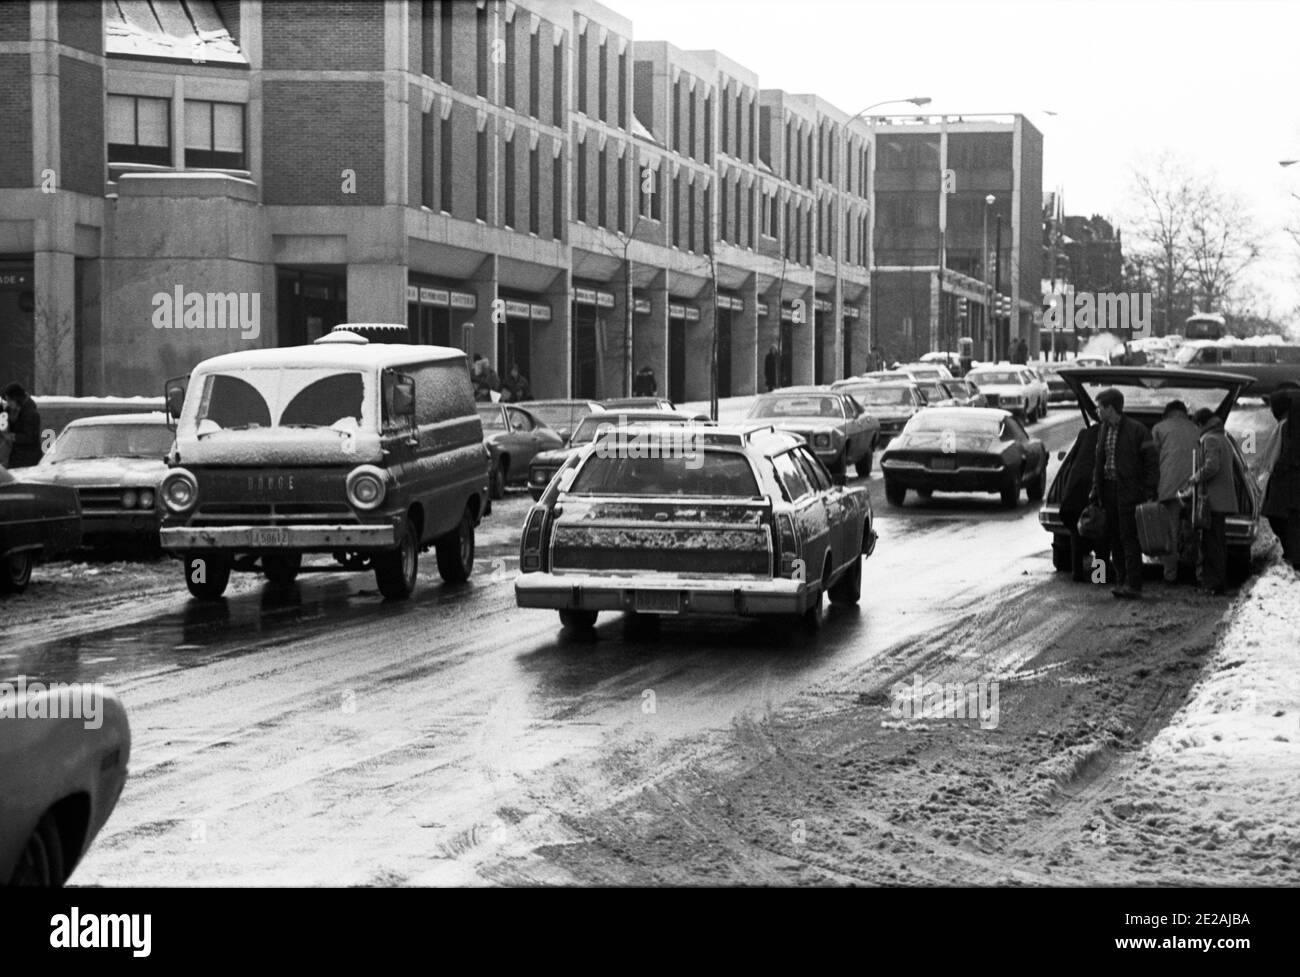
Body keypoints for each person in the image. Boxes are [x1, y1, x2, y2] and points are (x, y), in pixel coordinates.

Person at [1090, 388, 1158, 598]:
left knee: (1129, 538)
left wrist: (1147, 490)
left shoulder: (1137, 430)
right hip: (1108, 491)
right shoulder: (1102, 429)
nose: (1097, 411)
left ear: (1110, 408)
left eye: (1099, 407)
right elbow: (1098, 463)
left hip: (1129, 492)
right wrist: (1095, 489)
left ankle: (1134, 584)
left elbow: (1151, 463)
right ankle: (1120, 580)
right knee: (1113, 538)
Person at [1189, 407, 1239, 594]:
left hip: (1214, 501)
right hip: (1223, 500)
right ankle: (1216, 583)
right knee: (1217, 542)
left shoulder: (1210, 439)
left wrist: (1195, 477)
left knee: (1212, 544)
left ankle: (1214, 585)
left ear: (1201, 424)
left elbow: (1212, 466)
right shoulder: (1222, 438)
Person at [1151, 400, 1200, 583]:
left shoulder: (1159, 428)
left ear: (1167, 413)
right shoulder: (1197, 428)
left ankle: (1170, 575)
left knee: (1170, 532)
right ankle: (1196, 573)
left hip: (1169, 487)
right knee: (1196, 529)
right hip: (1196, 488)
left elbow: (1151, 459)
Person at [1260, 386, 1300, 569]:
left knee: (1283, 518)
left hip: (1285, 480)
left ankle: (1294, 555)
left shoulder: (1288, 426)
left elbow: (1287, 452)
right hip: (1284, 480)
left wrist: (1278, 468)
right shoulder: (1287, 424)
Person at [1, 382, 43, 468]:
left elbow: (30, 437)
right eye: (6, 400)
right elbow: (3, 423)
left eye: (10, 400)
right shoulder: (10, 410)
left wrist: (12, 436)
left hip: (29, 460)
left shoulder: (31, 414)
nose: (8, 403)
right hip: (15, 457)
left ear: (17, 399)